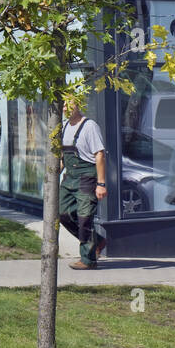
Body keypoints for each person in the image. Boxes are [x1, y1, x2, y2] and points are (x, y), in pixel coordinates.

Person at [61, 99, 108, 269]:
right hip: (69, 178)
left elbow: (100, 155)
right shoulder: (64, 126)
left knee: (84, 218)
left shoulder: (89, 126)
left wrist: (101, 183)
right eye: (64, 105)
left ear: (78, 104)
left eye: (69, 104)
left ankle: (88, 260)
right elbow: (63, 157)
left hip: (87, 178)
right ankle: (98, 241)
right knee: (62, 214)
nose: (66, 108)